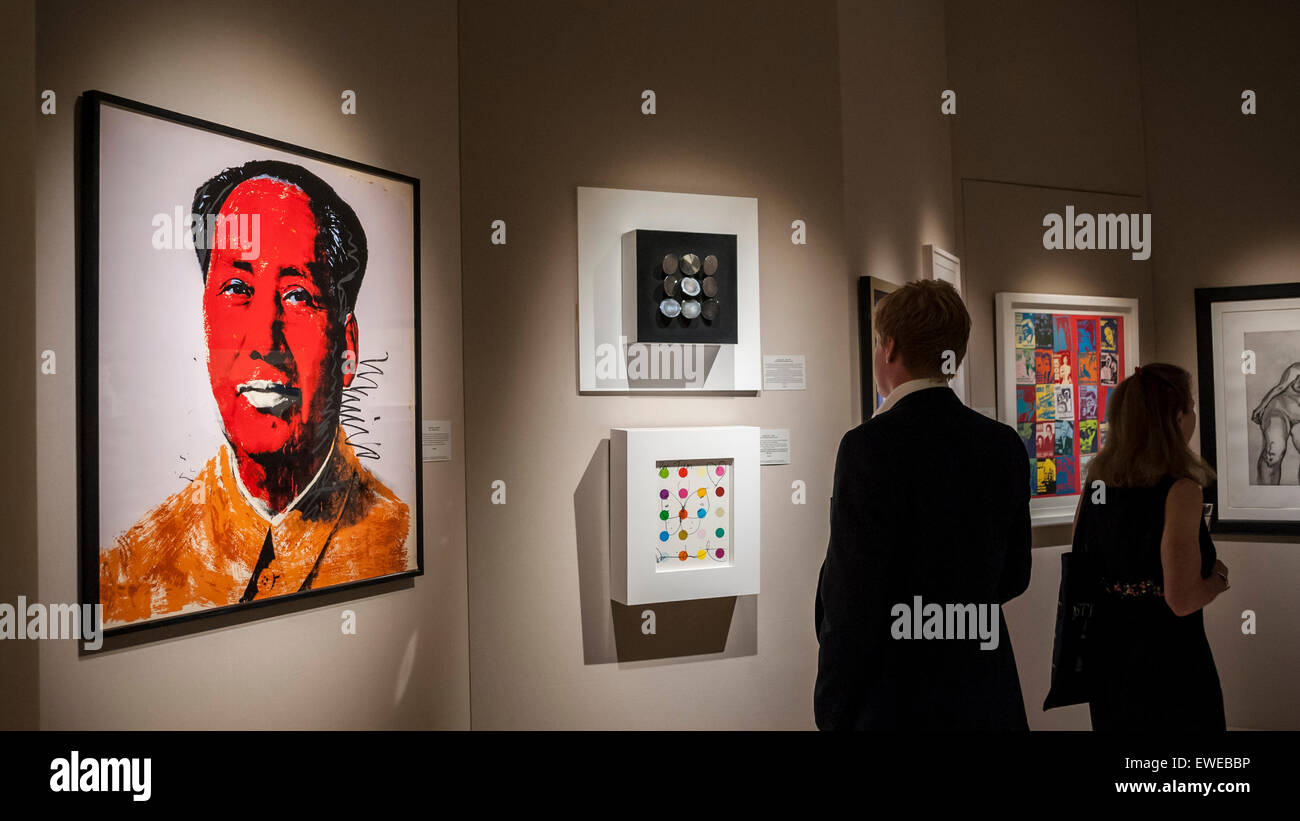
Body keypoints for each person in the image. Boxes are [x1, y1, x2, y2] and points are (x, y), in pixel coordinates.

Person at [100, 161, 411, 626]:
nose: (265, 341)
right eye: (237, 288)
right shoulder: (127, 572)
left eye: (298, 295)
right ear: (205, 322)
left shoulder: (398, 541)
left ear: (347, 345)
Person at [814, 280, 1032, 730]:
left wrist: (833, 706)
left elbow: (852, 597)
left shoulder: (867, 447)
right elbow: (1015, 574)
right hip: (984, 685)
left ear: (889, 347)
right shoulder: (1002, 444)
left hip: (897, 694)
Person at [1073, 363, 1228, 730]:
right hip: (1169, 661)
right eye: (1190, 408)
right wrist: (1219, 578)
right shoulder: (1181, 490)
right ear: (1175, 418)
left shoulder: (1098, 482)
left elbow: (1081, 562)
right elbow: (1181, 599)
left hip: (1109, 656)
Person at [1250, 362, 1300, 484]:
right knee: (1273, 454)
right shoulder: (1296, 369)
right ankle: (1265, 495)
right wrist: (1261, 406)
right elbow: (1279, 388)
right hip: (1279, 411)